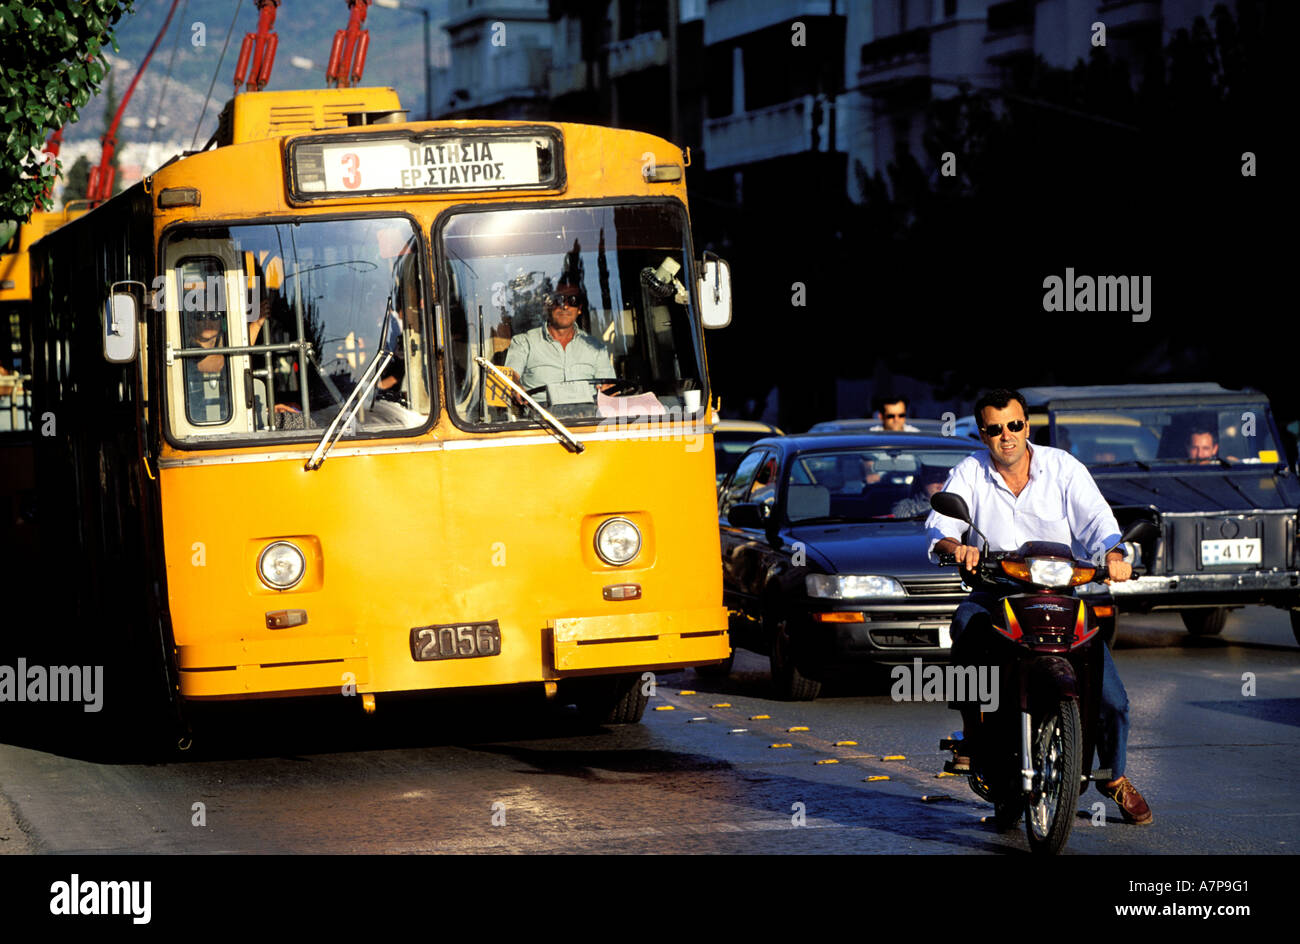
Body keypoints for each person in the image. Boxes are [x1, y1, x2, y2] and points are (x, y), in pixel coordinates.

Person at [926, 387, 1153, 825]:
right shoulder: (970, 472)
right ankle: (975, 734)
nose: (1005, 436)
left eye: (1013, 425)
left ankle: (1114, 775)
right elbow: (940, 527)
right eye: (994, 429)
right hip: (997, 593)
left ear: (1026, 426)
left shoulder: (1062, 468)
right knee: (965, 623)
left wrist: (1115, 555)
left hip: (1060, 595)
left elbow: (1098, 522)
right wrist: (957, 548)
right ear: (982, 433)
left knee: (1114, 700)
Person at [504, 280, 614, 412]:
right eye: (559, 299)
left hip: (587, 424)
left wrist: (608, 391)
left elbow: (609, 390)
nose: (565, 306)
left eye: (573, 300)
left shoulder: (597, 348)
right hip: (539, 425)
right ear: (548, 306)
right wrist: (515, 386)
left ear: (579, 309)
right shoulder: (523, 343)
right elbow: (509, 377)